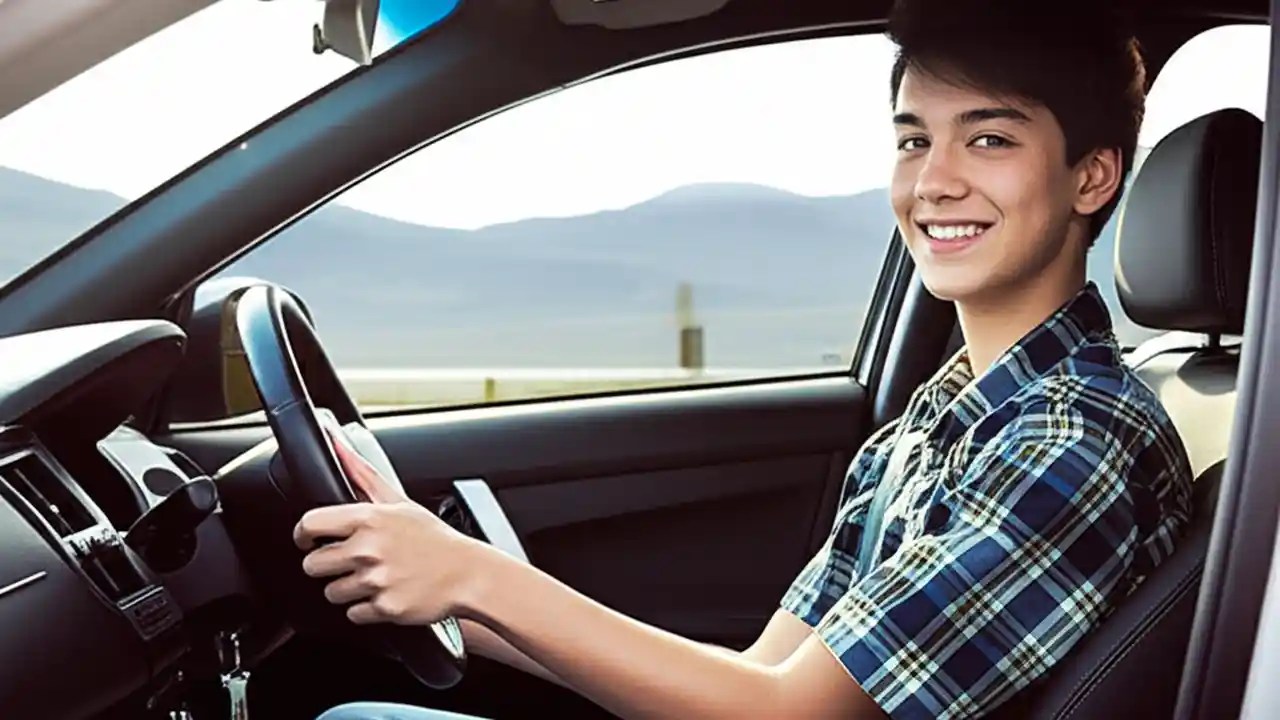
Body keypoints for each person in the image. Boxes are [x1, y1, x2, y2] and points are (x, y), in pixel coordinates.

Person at [303, 1, 1194, 717]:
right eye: (915, 138)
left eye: (990, 139)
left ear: (1092, 176)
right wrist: (448, 580)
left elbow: (785, 715)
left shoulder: (1071, 440)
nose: (933, 181)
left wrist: (473, 576)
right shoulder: (932, 427)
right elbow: (758, 674)